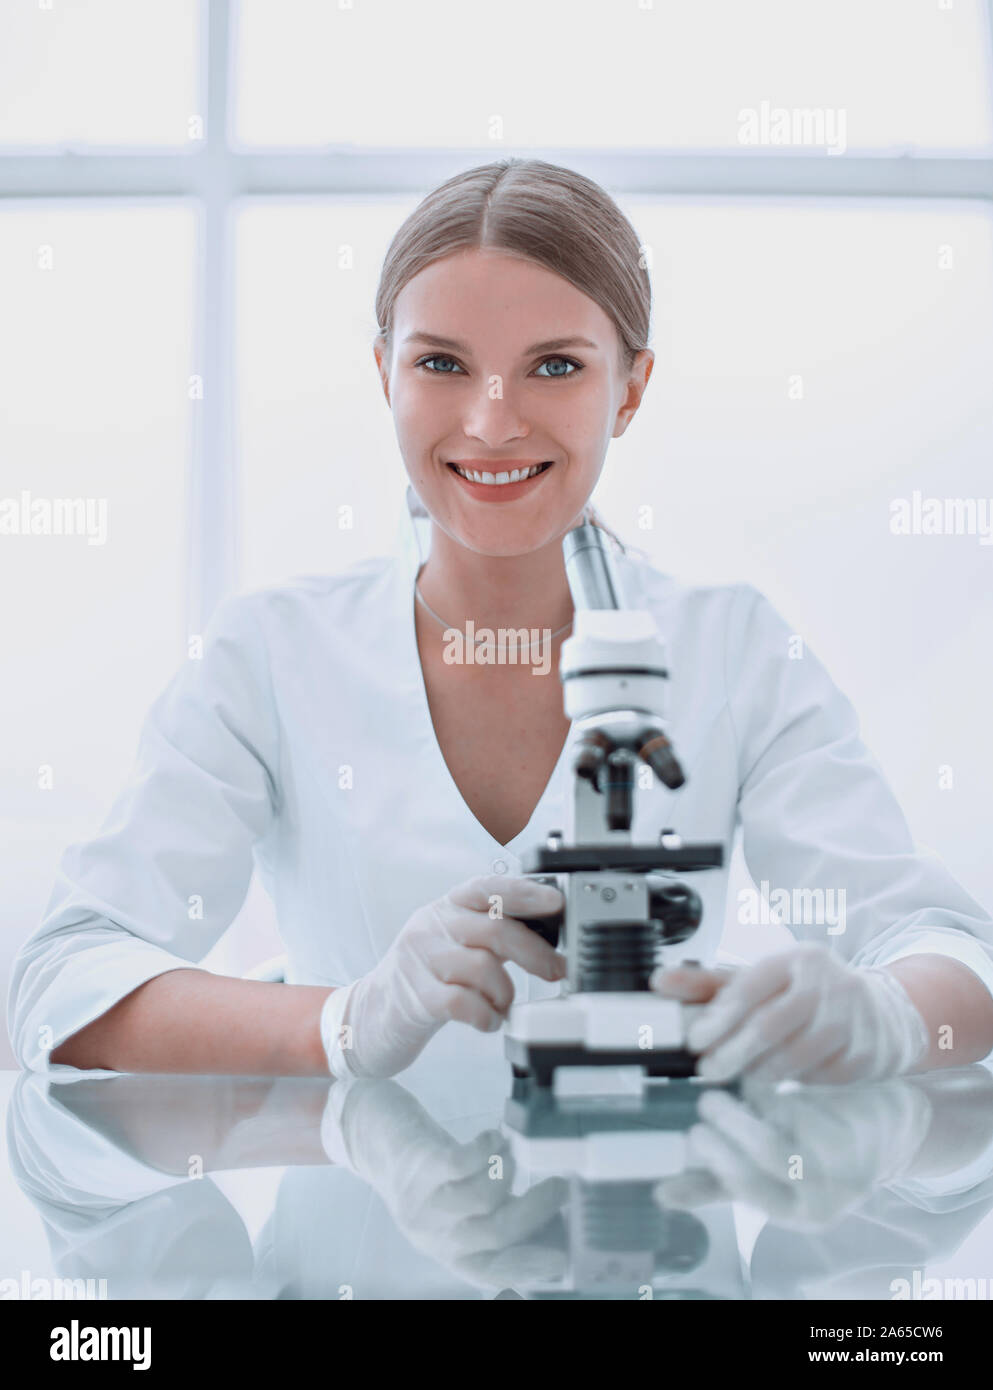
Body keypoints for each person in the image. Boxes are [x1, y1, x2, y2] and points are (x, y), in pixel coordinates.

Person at [8, 158, 993, 1085]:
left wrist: (887, 1019)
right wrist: (348, 1021)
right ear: (384, 372)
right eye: (441, 363)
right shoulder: (269, 653)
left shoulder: (732, 651)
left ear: (632, 388)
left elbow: (956, 964)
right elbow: (59, 988)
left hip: (648, 1246)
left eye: (555, 367)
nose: (491, 421)